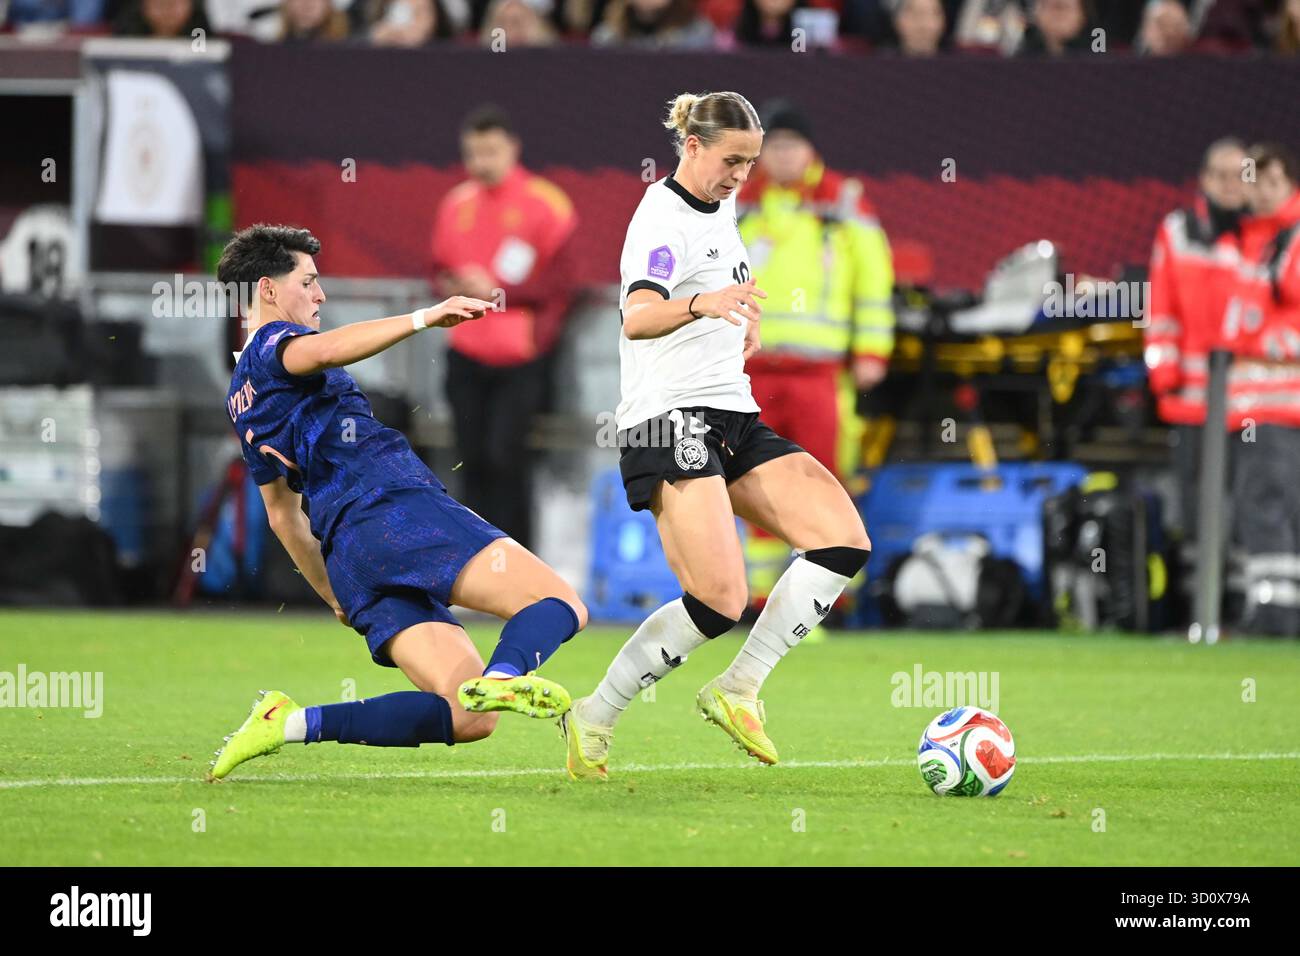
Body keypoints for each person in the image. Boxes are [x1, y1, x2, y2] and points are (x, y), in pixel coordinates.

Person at [559, 92, 872, 781]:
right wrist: (705, 304)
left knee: (842, 538)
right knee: (720, 600)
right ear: (693, 147)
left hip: (732, 413)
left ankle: (739, 688)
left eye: (751, 162)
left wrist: (740, 312)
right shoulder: (661, 216)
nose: (742, 175)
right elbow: (637, 317)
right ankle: (596, 714)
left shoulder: (720, 204)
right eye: (732, 160)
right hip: (669, 420)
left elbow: (716, 274)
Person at [208, 224, 587, 780]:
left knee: (466, 715)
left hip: (350, 555)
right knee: (558, 603)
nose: (320, 295)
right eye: (309, 282)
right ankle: (505, 679)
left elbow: (282, 514)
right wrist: (424, 318)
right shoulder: (273, 345)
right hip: (393, 509)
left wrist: (335, 595)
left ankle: (287, 723)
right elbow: (328, 347)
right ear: (267, 289)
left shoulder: (239, 399)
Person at [735, 99, 894, 611]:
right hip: (753, 369)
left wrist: (872, 350)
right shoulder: (740, 202)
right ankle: (761, 597)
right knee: (754, 480)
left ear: (809, 150)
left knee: (824, 477)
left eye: (790, 145)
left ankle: (831, 600)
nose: (781, 156)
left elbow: (874, 281)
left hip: (820, 372)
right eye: (772, 147)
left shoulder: (841, 203)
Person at [431, 106, 579, 550]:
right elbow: (436, 270)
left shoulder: (546, 204)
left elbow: (560, 283)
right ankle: (471, 566)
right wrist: (460, 285)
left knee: (508, 461)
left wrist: (498, 291)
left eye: (491, 150)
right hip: (465, 354)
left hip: (520, 360)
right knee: (469, 461)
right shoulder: (455, 204)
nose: (482, 161)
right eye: (473, 152)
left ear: (513, 148)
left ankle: (516, 568)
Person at [1144, 137, 1246, 619]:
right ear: (1203, 180)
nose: (1231, 185)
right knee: (1194, 507)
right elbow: (1160, 309)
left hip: (1254, 401)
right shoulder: (1179, 231)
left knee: (1249, 506)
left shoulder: (1269, 233)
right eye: (1222, 175)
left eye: (1240, 175)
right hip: (1192, 398)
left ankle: (1244, 608)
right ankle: (1195, 611)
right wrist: (1164, 377)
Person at [1221, 143, 1300, 636]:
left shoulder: (1290, 239)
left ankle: (1276, 613)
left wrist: (1264, 340)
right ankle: (1276, 608)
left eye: (1273, 183)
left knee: (1268, 503)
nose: (1262, 193)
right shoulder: (1257, 240)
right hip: (1256, 406)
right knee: (1263, 503)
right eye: (1256, 182)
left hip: (1280, 405)